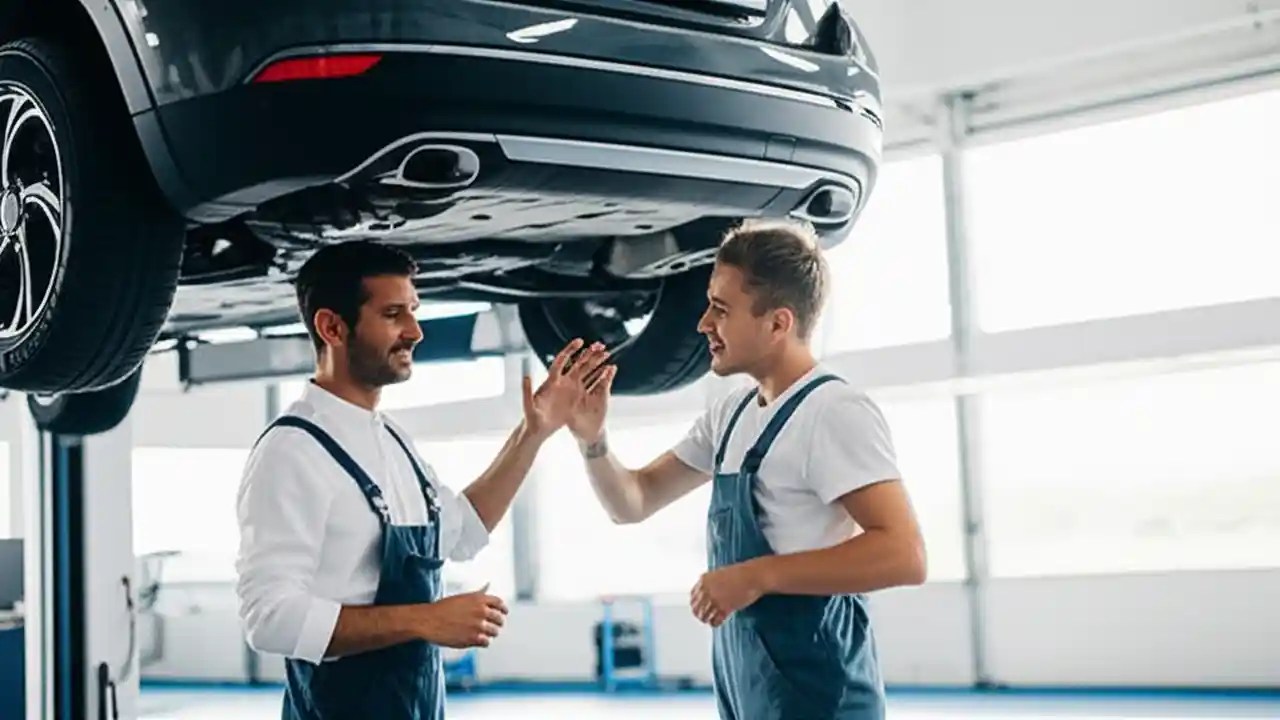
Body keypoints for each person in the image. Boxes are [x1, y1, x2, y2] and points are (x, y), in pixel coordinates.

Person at [234, 240, 609, 720]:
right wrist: (427, 619)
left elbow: (462, 531)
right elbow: (270, 619)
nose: (415, 331)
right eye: (393, 314)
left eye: (414, 310)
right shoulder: (292, 452)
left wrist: (534, 433)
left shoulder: (391, 440)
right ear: (332, 326)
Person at [568, 220, 927, 719]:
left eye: (720, 309)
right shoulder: (730, 415)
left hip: (820, 698)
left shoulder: (833, 412)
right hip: (749, 694)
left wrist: (756, 576)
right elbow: (633, 501)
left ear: (777, 324)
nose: (701, 325)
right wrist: (592, 440)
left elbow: (904, 553)